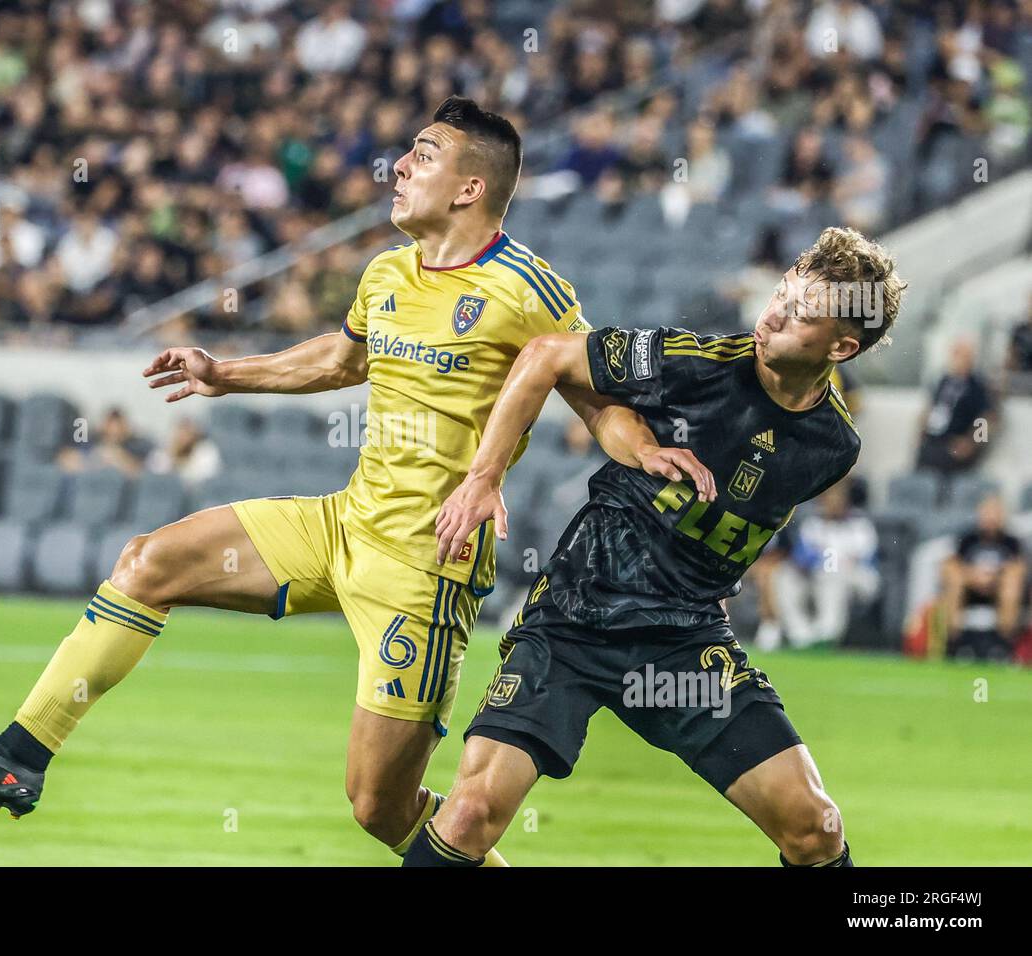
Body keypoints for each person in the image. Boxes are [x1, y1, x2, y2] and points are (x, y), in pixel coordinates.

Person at [0, 97, 623, 865]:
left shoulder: (530, 289)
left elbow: (600, 407)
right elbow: (343, 361)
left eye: (424, 153)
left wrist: (659, 466)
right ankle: (21, 756)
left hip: (424, 568)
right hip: (344, 524)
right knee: (150, 561)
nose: (401, 166)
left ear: (471, 189)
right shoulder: (386, 273)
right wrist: (224, 373)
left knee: (378, 807)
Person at [410, 226, 906, 867]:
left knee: (816, 828)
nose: (774, 313)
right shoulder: (694, 363)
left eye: (801, 311)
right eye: (782, 292)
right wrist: (484, 479)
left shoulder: (833, 447)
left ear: (843, 344)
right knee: (472, 810)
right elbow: (544, 356)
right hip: (576, 619)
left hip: (682, 645)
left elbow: (739, 525)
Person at [769, 480, 879, 648]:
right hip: (818, 576)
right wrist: (820, 560)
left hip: (859, 579)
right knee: (784, 574)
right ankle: (800, 635)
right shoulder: (813, 524)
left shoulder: (859, 525)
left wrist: (831, 559)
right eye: (828, 499)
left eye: (837, 498)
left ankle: (827, 632)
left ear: (845, 501)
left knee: (832, 569)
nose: (832, 503)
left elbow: (867, 559)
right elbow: (802, 557)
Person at [942, 493, 1026, 661]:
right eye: (987, 512)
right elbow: (951, 565)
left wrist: (993, 578)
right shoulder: (968, 539)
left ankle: (1003, 643)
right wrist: (973, 575)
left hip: (998, 587)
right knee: (954, 580)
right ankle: (955, 642)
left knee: (1011, 585)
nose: (991, 518)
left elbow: (1018, 568)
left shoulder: (1011, 542)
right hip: (969, 587)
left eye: (995, 513)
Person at [916, 339, 995, 475]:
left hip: (956, 444)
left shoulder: (977, 386)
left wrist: (971, 443)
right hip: (934, 440)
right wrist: (921, 431)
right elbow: (931, 409)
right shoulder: (943, 381)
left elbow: (988, 418)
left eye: (962, 355)